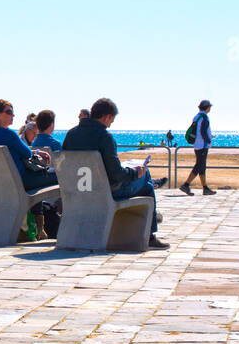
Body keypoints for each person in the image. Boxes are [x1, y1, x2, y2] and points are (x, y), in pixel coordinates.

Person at [63, 97, 168, 249]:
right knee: (146, 181)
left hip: (78, 191)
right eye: (111, 120)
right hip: (105, 193)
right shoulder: (104, 137)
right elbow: (116, 175)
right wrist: (134, 173)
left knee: (144, 179)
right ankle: (150, 235)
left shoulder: (71, 135)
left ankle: (149, 220)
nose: (110, 124)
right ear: (106, 117)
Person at [0, 99, 57, 191]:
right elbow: (27, 154)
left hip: (1, 184)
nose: (13, 115)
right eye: (9, 112)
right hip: (22, 181)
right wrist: (37, 152)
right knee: (62, 175)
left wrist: (36, 151)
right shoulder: (8, 134)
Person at [180, 99, 215, 196]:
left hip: (197, 144)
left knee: (201, 166)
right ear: (207, 107)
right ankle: (186, 185)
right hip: (203, 145)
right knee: (199, 166)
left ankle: (205, 188)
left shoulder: (197, 117)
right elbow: (203, 131)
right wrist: (208, 139)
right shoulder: (204, 117)